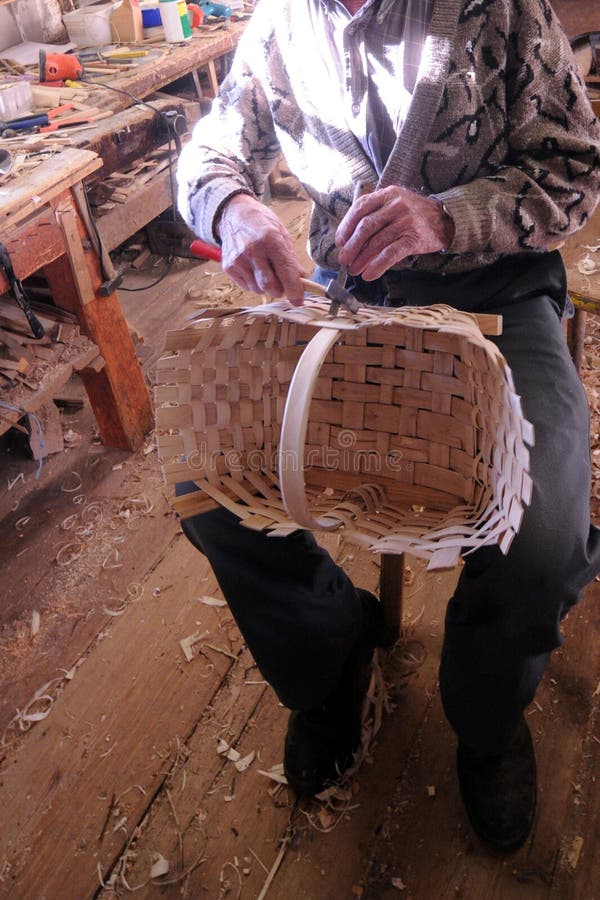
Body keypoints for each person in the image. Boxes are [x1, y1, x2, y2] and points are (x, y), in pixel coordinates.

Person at [176, 0, 600, 853]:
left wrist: (444, 216)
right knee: (210, 484)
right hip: (353, 297)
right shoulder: (283, 22)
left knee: (546, 532)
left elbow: (577, 174)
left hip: (494, 288)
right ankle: (333, 656)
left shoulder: (502, 11)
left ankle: (486, 716)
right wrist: (232, 209)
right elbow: (211, 148)